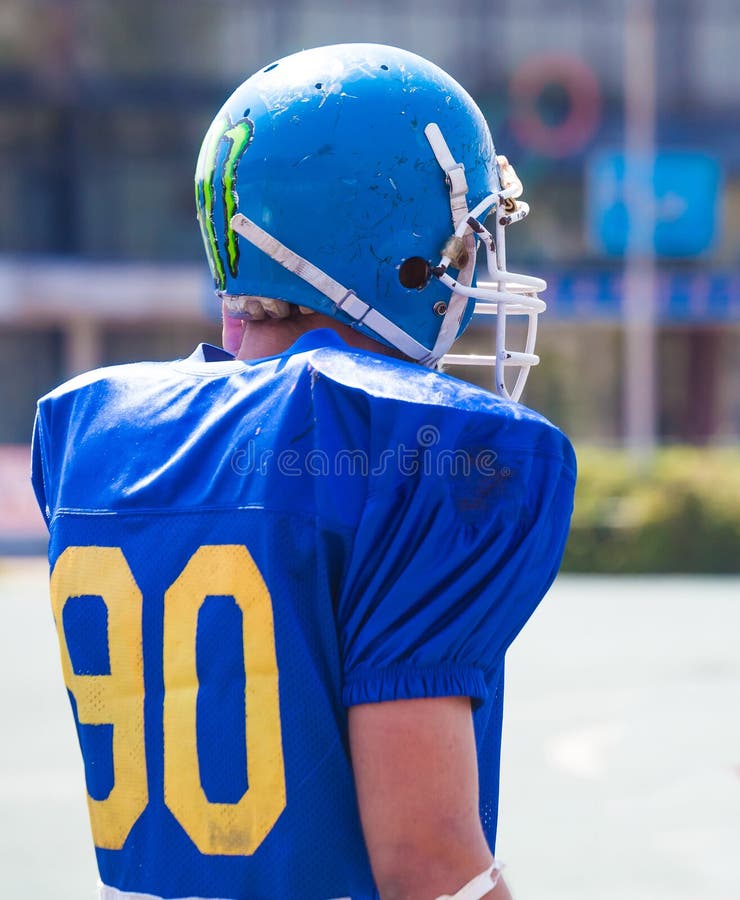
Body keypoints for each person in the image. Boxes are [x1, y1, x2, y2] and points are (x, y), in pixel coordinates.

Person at [32, 43, 576, 900]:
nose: (474, 271)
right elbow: (431, 868)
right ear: (392, 254)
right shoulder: (410, 444)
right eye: (468, 245)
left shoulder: (93, 429)